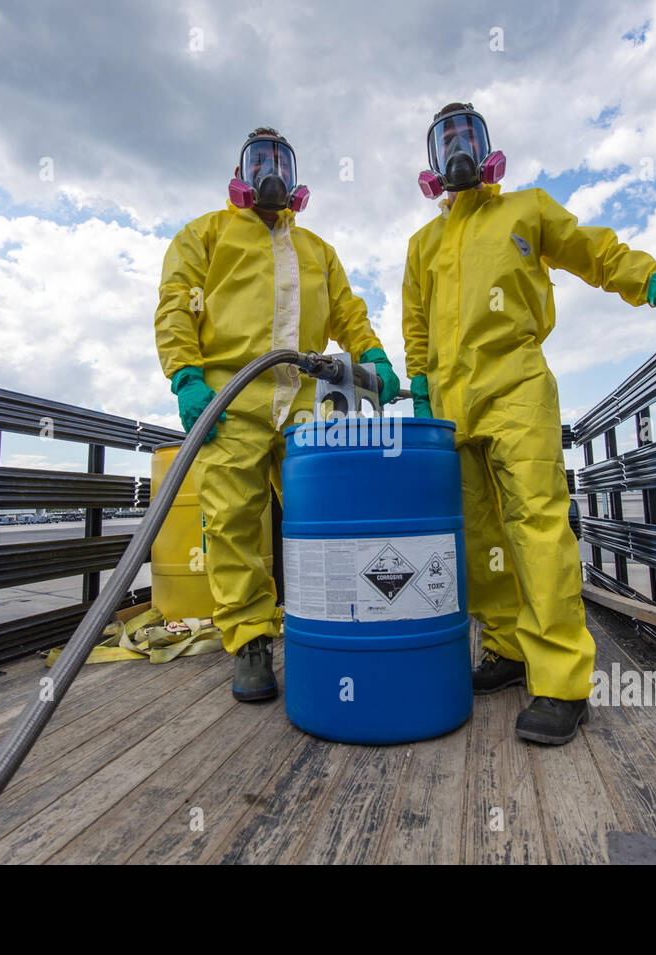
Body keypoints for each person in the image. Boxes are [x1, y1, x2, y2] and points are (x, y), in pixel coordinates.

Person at [402, 103, 656, 745]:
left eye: (469, 136)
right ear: (432, 164)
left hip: (515, 383)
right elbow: (417, 321)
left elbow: (597, 253)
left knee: (537, 523)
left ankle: (560, 680)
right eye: (447, 142)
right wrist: (419, 385)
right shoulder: (423, 244)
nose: (458, 150)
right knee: (478, 532)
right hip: (447, 403)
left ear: (489, 150)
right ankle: (505, 648)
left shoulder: (526, 210)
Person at [155, 127, 401, 702]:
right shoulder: (204, 235)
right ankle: (249, 642)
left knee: (327, 517)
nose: (273, 172)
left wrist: (373, 356)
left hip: (305, 408)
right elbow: (176, 302)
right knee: (231, 523)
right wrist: (186, 375)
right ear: (241, 174)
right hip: (228, 403)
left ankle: (339, 617)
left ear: (295, 178)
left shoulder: (317, 251)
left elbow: (348, 312)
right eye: (261, 160)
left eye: (281, 162)